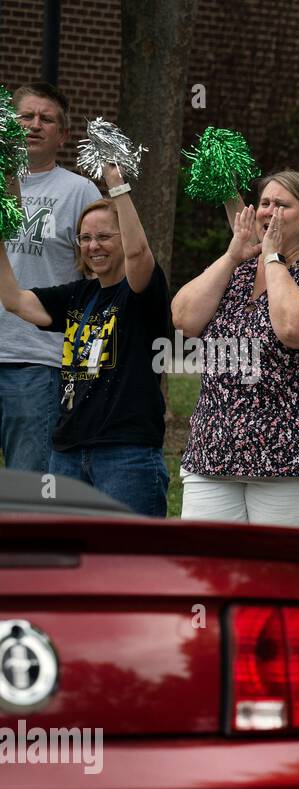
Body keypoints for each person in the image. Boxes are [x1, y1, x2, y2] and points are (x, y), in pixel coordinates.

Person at [172, 170, 299, 527]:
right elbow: (183, 320)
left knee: (283, 578)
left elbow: (294, 328)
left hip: (296, 455)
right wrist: (233, 256)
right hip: (216, 449)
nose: (269, 211)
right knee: (207, 573)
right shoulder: (237, 271)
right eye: (264, 203)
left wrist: (274, 258)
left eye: (282, 205)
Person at [0, 161, 169, 513]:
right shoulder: (79, 295)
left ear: (124, 237)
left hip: (126, 456)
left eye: (105, 236)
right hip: (68, 456)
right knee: (74, 564)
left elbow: (139, 253)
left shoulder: (140, 293)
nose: (94, 246)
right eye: (86, 238)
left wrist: (116, 185)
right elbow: (14, 300)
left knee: (129, 565)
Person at [0, 83, 101, 473]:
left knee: (29, 485)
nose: (35, 125)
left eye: (47, 119)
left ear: (63, 135)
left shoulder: (80, 193)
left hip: (37, 362)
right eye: (26, 116)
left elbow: (100, 275)